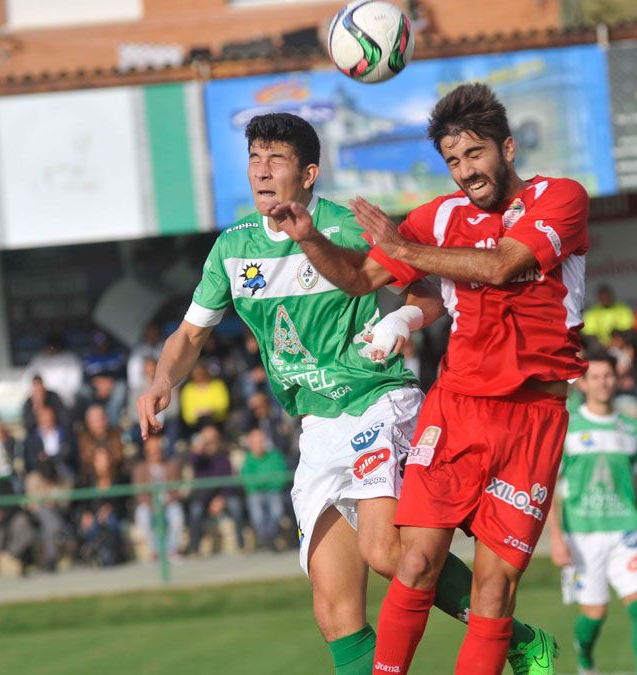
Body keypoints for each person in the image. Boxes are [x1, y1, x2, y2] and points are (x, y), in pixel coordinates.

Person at [138, 111, 553, 675]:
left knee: (385, 552)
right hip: (317, 428)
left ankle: (518, 638)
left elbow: (433, 298)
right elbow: (188, 336)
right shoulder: (231, 250)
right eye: (255, 160)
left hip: (377, 401)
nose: (262, 173)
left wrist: (397, 324)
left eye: (276, 161)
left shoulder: (349, 226)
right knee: (334, 609)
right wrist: (164, 378)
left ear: (308, 174)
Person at [269, 84, 586, 674]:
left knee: (493, 593)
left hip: (533, 417)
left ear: (508, 148)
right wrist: (310, 238)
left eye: (475, 154)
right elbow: (362, 278)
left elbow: (499, 265)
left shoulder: (560, 198)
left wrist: (406, 248)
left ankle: (522, 644)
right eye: (453, 161)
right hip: (458, 407)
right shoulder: (436, 216)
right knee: (411, 562)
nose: (466, 171)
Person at [547, 355, 637, 675]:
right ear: (582, 383)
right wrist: (556, 538)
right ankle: (584, 658)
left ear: (616, 379)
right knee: (594, 614)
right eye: (594, 377)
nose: (602, 382)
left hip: (626, 530)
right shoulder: (568, 427)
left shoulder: (630, 427)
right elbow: (553, 489)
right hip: (582, 533)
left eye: (608, 375)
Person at [186, 424, 247, 555]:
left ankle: (241, 545)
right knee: (195, 511)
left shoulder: (224, 457)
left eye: (213, 440)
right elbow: (193, 461)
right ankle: (194, 549)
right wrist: (200, 445)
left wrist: (221, 499)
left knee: (235, 505)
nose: (210, 443)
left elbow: (228, 481)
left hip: (221, 496)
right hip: (202, 497)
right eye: (207, 440)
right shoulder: (199, 457)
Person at [132, 435, 183, 561]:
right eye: (151, 450)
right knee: (142, 514)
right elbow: (140, 494)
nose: (154, 453)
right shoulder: (140, 468)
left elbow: (177, 489)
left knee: (176, 513)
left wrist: (164, 504)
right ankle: (156, 551)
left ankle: (172, 550)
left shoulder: (172, 464)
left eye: (157, 449)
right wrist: (154, 506)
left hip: (168, 503)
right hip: (150, 505)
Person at [239, 427, 290, 552]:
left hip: (273, 492)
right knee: (257, 516)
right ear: (250, 443)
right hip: (256, 494)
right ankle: (272, 539)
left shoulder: (275, 456)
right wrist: (267, 481)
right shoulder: (247, 460)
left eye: (261, 440)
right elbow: (248, 482)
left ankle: (270, 539)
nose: (259, 444)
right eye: (256, 441)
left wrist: (262, 482)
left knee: (276, 512)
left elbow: (280, 478)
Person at [24, 333, 84, 408]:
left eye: (53, 346)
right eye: (49, 346)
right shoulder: (38, 359)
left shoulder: (70, 358)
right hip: (44, 399)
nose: (51, 349)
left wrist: (60, 396)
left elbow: (75, 384)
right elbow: (29, 378)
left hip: (64, 400)